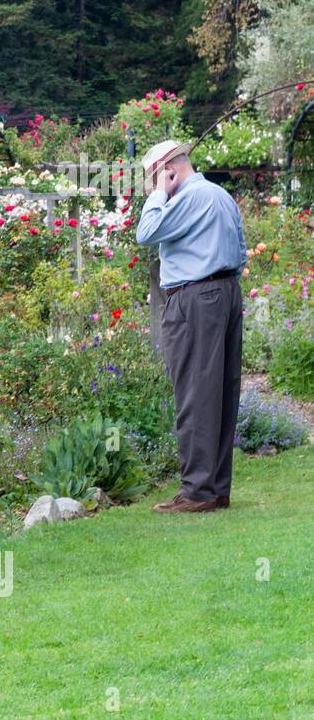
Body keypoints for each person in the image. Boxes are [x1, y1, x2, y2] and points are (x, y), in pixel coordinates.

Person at [134, 140, 248, 514]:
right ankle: (216, 488)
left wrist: (159, 195)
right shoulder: (220, 195)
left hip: (195, 298)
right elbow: (242, 249)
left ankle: (197, 492)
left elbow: (146, 233)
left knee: (195, 391)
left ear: (168, 169)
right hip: (228, 292)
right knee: (222, 390)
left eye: (155, 177)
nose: (154, 185)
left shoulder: (186, 198)